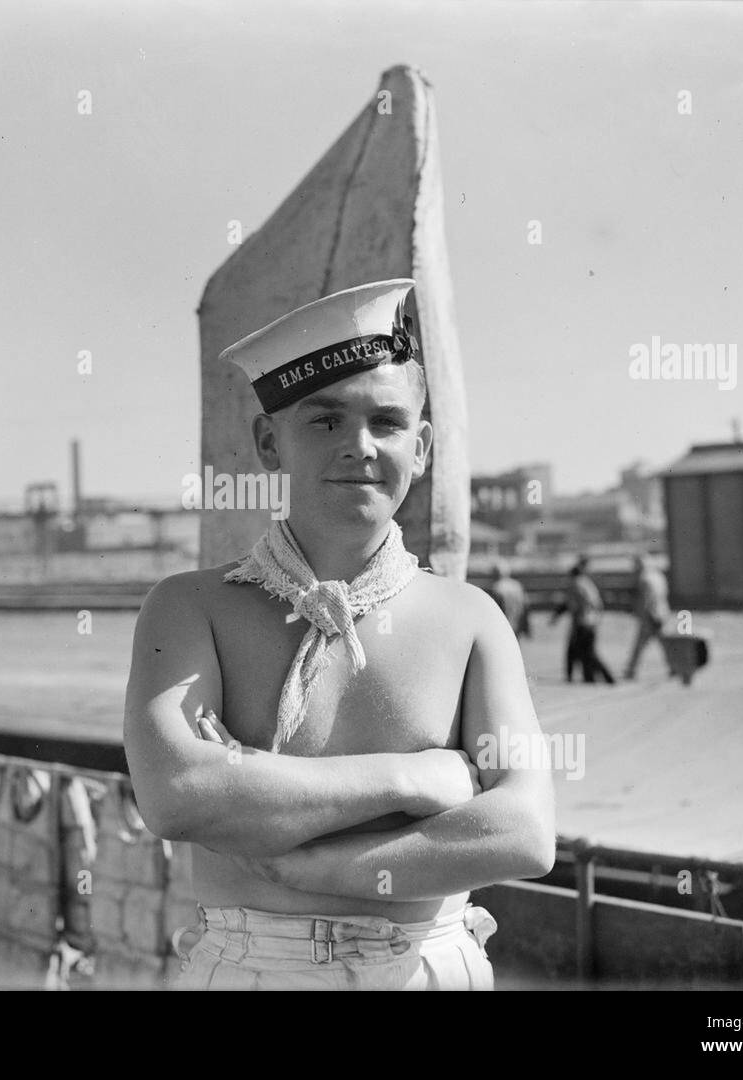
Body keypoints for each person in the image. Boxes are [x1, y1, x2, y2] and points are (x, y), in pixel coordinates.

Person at [123, 279, 555, 990]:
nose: (358, 445)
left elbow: (523, 833)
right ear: (270, 442)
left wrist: (309, 863)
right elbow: (179, 795)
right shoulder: (190, 608)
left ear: (419, 448)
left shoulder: (471, 619)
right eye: (324, 422)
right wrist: (418, 777)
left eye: (385, 422)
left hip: (431, 967)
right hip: (254, 971)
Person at [550, 557, 615, 684]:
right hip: (591, 622)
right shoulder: (587, 583)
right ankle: (589, 677)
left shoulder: (575, 585)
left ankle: (606, 678)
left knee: (582, 651)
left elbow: (571, 605)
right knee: (584, 651)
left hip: (582, 623)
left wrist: (557, 615)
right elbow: (597, 604)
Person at [623, 553, 670, 679]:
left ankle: (631, 671)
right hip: (662, 614)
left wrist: (639, 613)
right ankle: (673, 667)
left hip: (650, 617)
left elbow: (646, 600)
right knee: (665, 645)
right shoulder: (658, 576)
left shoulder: (644, 579)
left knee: (639, 646)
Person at [487, 560, 530, 638]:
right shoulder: (517, 585)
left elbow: (494, 610)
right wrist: (527, 626)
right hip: (517, 624)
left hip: (503, 625)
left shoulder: (497, 587)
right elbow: (526, 606)